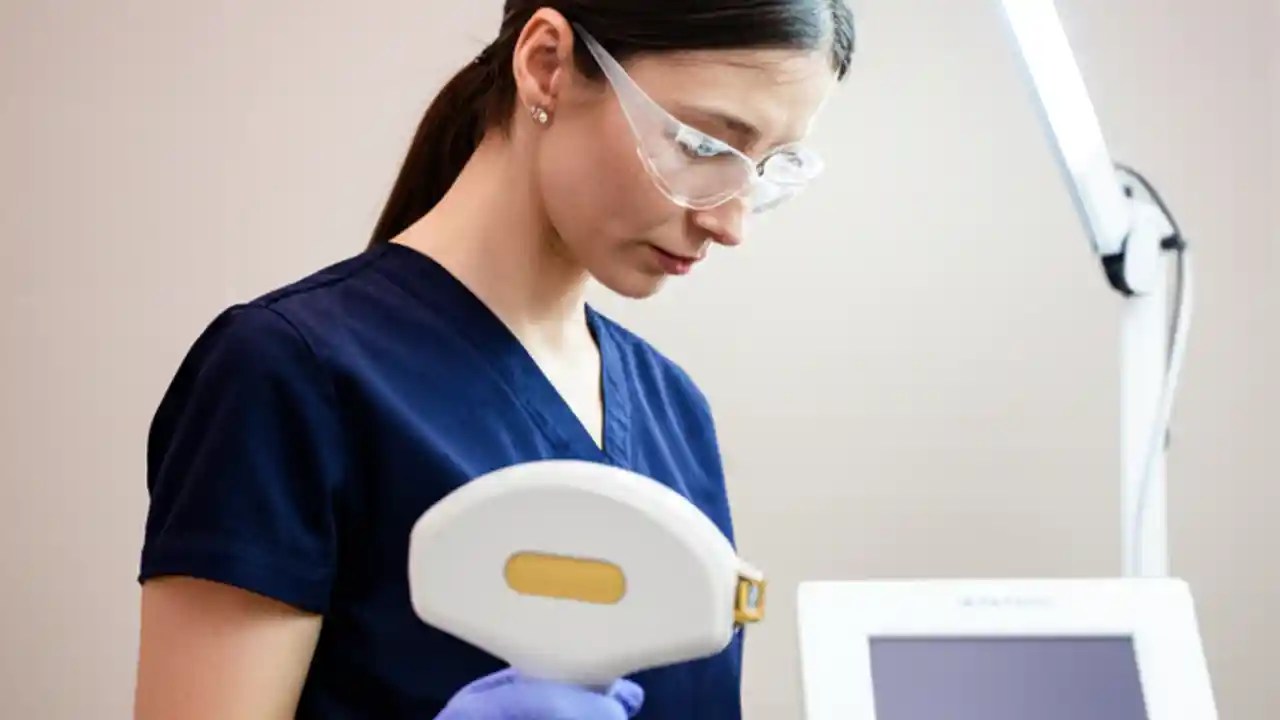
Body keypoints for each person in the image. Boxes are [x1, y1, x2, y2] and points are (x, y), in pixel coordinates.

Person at [133, 1, 855, 718]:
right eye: (703, 146)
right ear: (546, 65)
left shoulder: (674, 408)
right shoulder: (288, 373)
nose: (730, 223)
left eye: (769, 168)